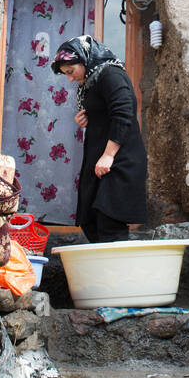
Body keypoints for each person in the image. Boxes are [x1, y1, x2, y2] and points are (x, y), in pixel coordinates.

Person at [51, 35, 147, 243]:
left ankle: (118, 273)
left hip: (120, 159)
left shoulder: (111, 75)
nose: (69, 79)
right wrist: (87, 117)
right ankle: (105, 272)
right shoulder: (92, 80)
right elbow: (104, 111)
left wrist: (108, 155)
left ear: (84, 59)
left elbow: (124, 113)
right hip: (100, 159)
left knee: (110, 221)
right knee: (89, 218)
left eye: (70, 71)